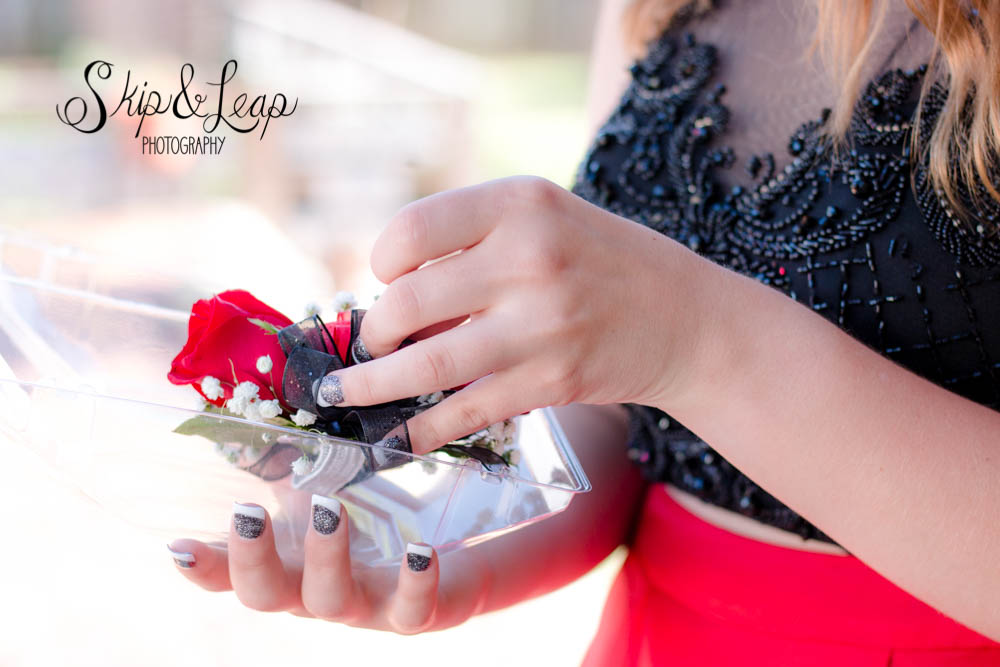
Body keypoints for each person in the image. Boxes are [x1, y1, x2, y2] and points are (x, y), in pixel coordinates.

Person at [167, 0, 1000, 663]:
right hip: (656, 637)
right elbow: (623, 414)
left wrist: (694, 337)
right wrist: (447, 551)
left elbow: (672, 348)